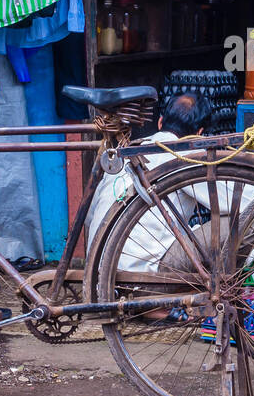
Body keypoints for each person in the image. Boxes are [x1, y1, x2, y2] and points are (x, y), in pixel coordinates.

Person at [85, 92, 211, 268]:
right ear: (199, 133)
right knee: (249, 222)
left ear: (160, 122)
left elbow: (90, 218)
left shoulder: (126, 153)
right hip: (141, 273)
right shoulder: (189, 156)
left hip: (98, 270)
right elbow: (237, 200)